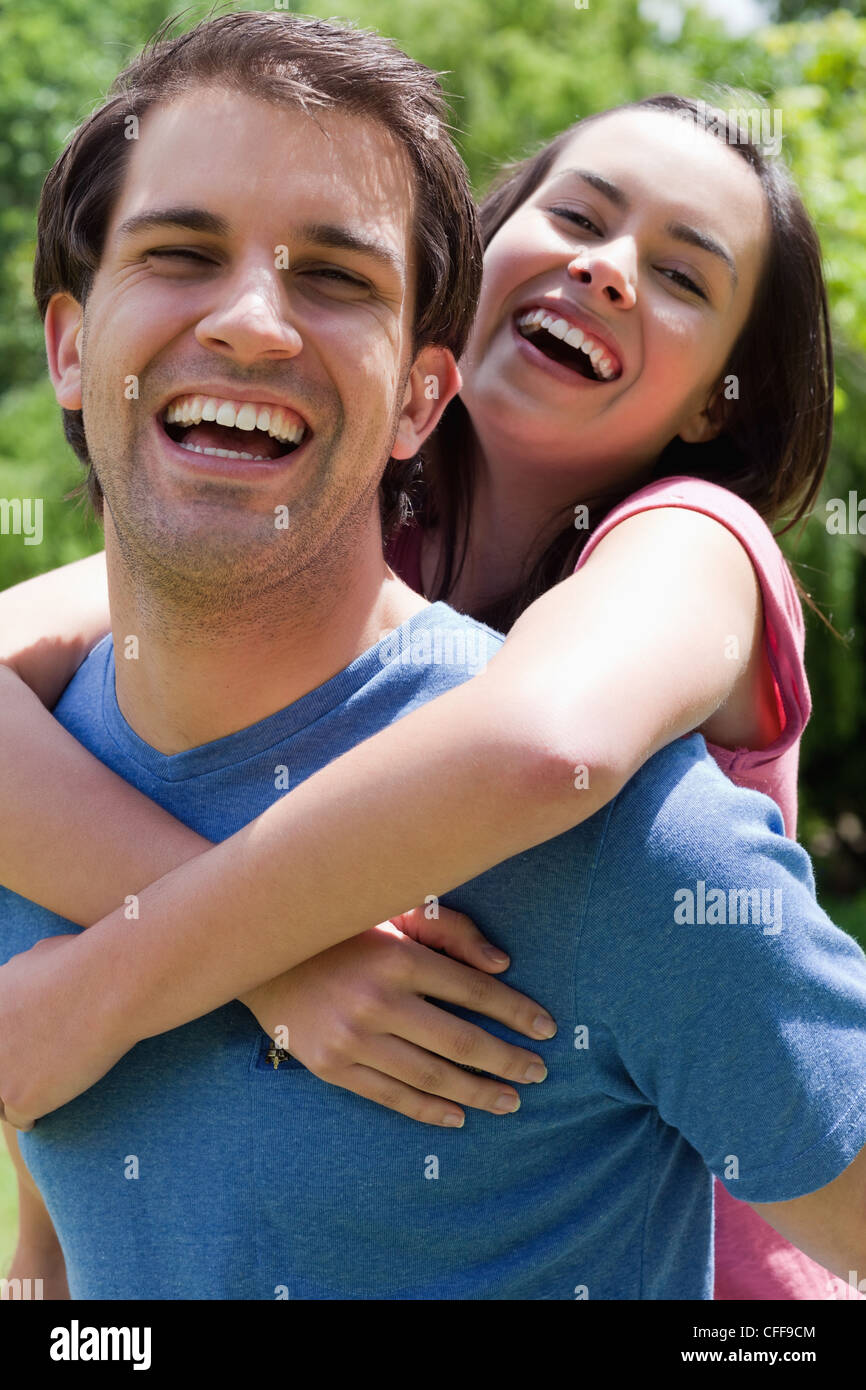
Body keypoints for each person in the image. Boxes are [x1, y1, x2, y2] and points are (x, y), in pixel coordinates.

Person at [1, 11, 865, 1300]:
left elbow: (543, 747)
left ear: (421, 386)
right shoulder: (168, 649)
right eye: (578, 216)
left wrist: (87, 998)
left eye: (687, 276)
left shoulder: (681, 562)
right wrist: (280, 962)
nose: (613, 270)